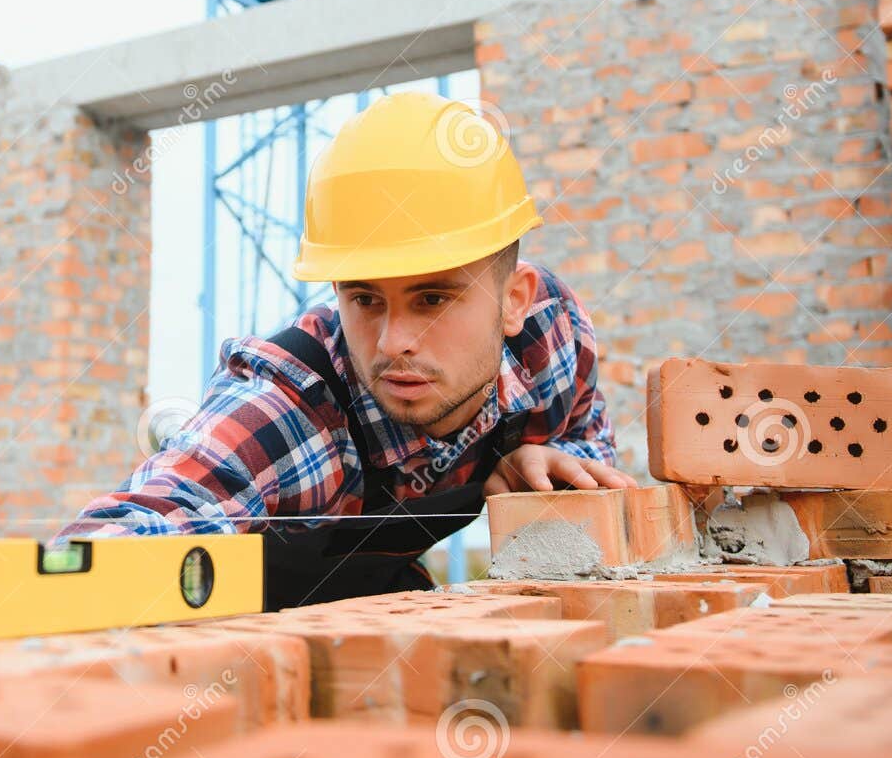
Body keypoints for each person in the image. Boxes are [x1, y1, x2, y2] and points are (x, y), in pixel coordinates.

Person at [49, 90, 635, 609]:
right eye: (365, 299)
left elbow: (589, 440)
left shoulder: (551, 335)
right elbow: (133, 526)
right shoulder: (292, 406)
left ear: (514, 301)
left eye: (432, 299)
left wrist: (549, 457)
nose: (393, 342)